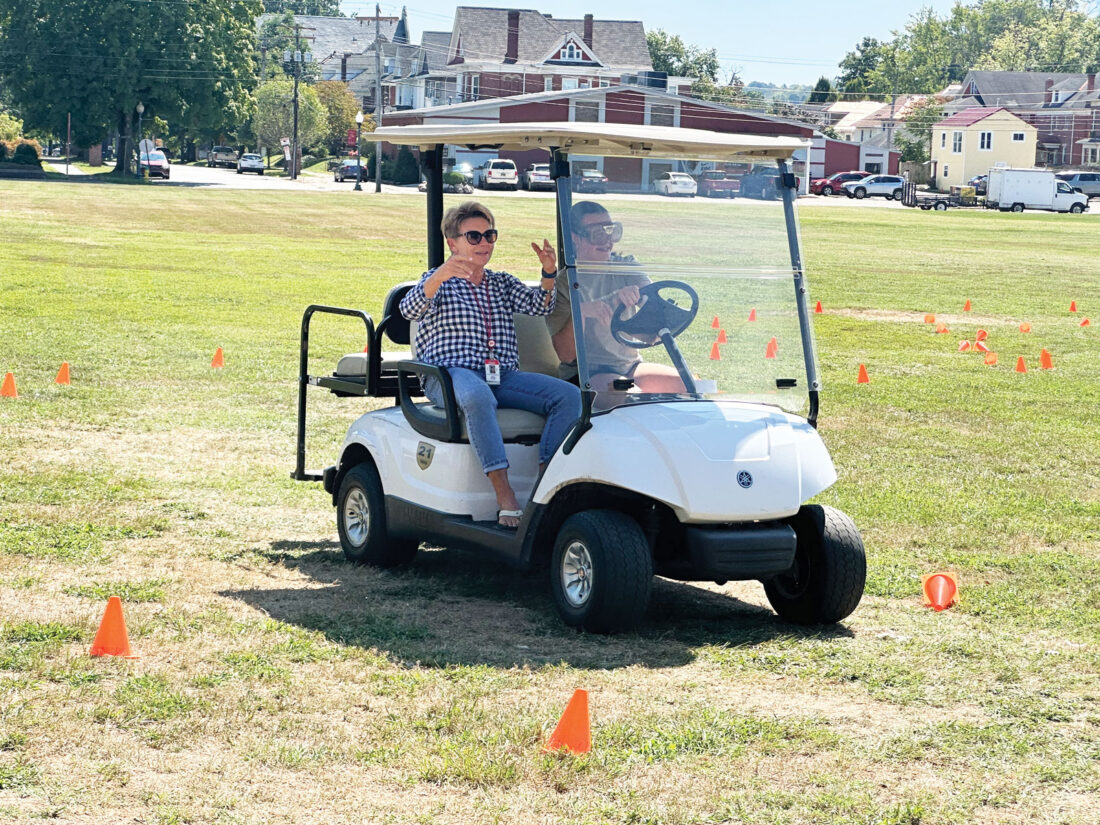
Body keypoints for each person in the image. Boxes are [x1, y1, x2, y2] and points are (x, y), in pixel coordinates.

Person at [400, 201, 582, 528]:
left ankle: (544, 487)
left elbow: (540, 306)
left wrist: (548, 273)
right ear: (452, 242)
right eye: (474, 236)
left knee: (568, 397)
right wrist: (441, 273)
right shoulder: (437, 281)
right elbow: (409, 309)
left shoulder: (501, 282)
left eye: (490, 235)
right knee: (477, 396)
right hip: (449, 374)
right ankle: (505, 494)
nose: (484, 243)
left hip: (501, 374)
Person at [546, 201, 685, 394]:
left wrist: (644, 302)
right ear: (575, 238)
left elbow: (651, 331)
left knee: (689, 385)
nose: (607, 241)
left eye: (610, 231)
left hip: (630, 367)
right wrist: (582, 312)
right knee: (630, 394)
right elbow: (566, 354)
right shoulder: (563, 283)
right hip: (586, 373)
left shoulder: (626, 266)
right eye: (597, 234)